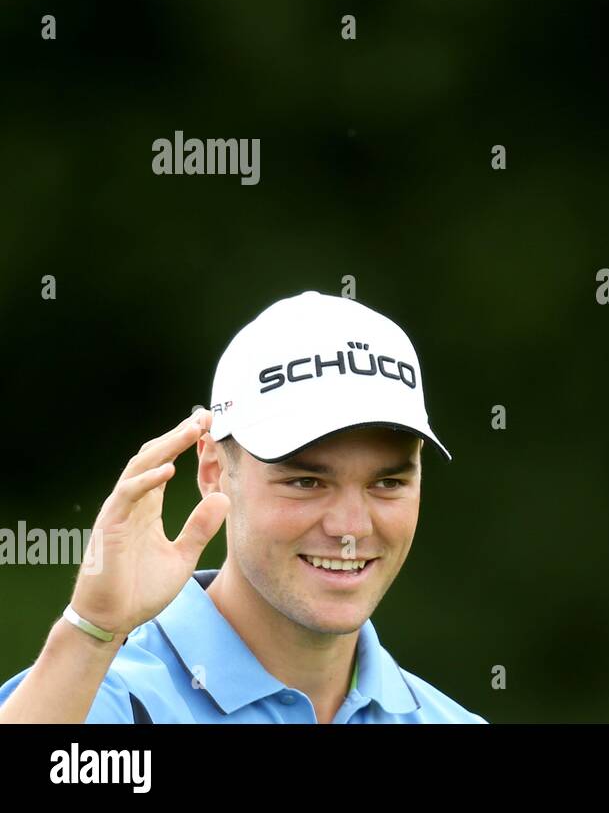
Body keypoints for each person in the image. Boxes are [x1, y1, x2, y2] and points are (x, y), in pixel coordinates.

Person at [0, 290, 486, 724]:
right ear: (213, 470)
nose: (351, 527)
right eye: (305, 481)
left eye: (388, 482)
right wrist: (91, 636)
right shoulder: (107, 704)